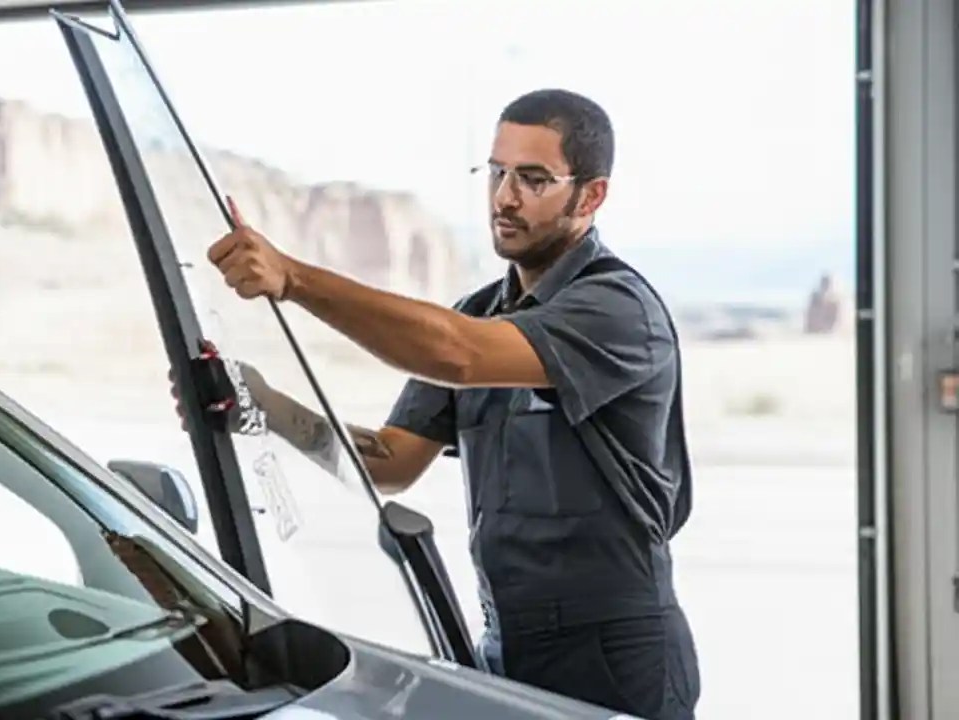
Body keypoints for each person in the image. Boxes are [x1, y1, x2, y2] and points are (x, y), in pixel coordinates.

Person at [200, 88, 700, 719]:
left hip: (614, 653)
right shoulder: (481, 311)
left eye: (533, 179)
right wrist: (267, 406)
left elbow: (455, 354)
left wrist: (293, 278)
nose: (504, 197)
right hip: (503, 645)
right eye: (496, 173)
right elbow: (388, 461)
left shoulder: (618, 310)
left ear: (591, 195)